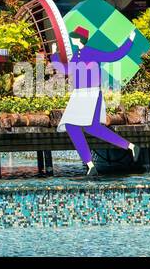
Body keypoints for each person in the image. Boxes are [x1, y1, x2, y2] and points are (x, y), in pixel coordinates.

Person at [51, 27, 139, 176]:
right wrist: (54, 55)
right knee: (86, 128)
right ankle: (126, 148)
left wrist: (129, 41)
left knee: (81, 127)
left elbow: (114, 56)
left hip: (91, 93)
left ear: (80, 39)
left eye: (74, 37)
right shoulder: (76, 55)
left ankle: (95, 163)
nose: (72, 39)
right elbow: (65, 71)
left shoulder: (91, 52)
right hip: (79, 95)